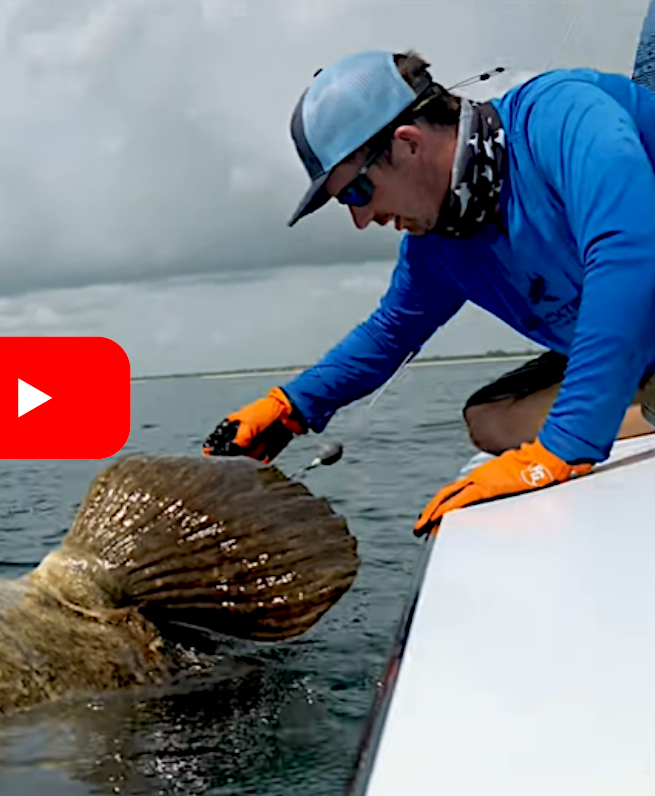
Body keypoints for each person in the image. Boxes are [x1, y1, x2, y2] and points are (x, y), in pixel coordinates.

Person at [201, 49, 655, 536]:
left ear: (408, 143)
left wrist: (564, 447)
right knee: (489, 421)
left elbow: (629, 256)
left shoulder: (564, 117)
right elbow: (389, 334)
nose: (360, 220)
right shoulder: (436, 245)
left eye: (356, 192)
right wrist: (292, 406)